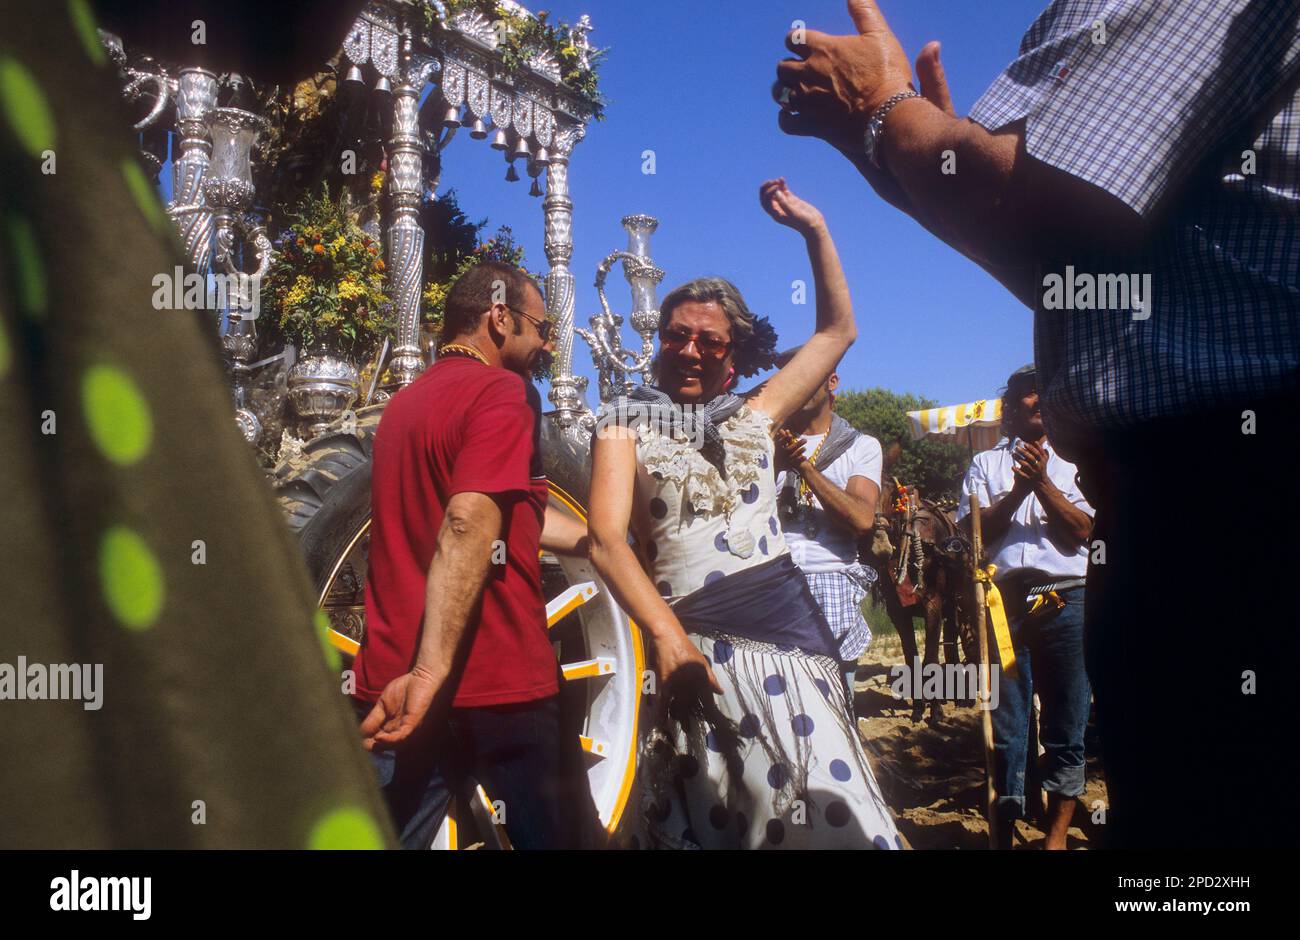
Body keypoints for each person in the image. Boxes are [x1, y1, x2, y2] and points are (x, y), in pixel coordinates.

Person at [773, 0, 1299, 847]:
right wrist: (893, 145)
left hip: (1231, 493)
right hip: (1182, 505)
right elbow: (1064, 264)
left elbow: (1047, 204)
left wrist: (889, 119)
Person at [587, 178, 902, 850]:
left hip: (791, 646)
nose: (692, 350)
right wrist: (668, 640)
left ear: (733, 357)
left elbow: (839, 329)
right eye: (677, 336)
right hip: (692, 650)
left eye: (711, 342)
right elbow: (606, 539)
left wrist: (813, 229)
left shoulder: (760, 416)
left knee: (830, 811)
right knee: (727, 812)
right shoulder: (622, 424)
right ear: (660, 342)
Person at [353, 260, 598, 849]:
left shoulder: (404, 407)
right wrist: (433, 671)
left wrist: (605, 543)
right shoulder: (503, 392)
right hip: (498, 686)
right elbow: (466, 524)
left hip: (394, 681)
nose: (546, 343)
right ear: (498, 317)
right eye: (540, 327)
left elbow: (514, 522)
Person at [956, 365, 1093, 850]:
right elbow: (974, 537)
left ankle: (1055, 837)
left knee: (1066, 718)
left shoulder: (1078, 462)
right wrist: (1019, 488)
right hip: (1003, 602)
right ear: (1010, 410)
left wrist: (1044, 484)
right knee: (1006, 719)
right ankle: (1004, 831)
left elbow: (1081, 533)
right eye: (1024, 396)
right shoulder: (985, 466)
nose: (1034, 401)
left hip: (1065, 598)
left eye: (1041, 393)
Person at [771, 348, 882, 701]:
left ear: (832, 382)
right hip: (773, 588)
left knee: (836, 713)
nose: (797, 385)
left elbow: (862, 520)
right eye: (789, 378)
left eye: (807, 375)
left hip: (832, 583)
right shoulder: (764, 446)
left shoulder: (861, 447)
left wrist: (803, 468)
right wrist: (774, 464)